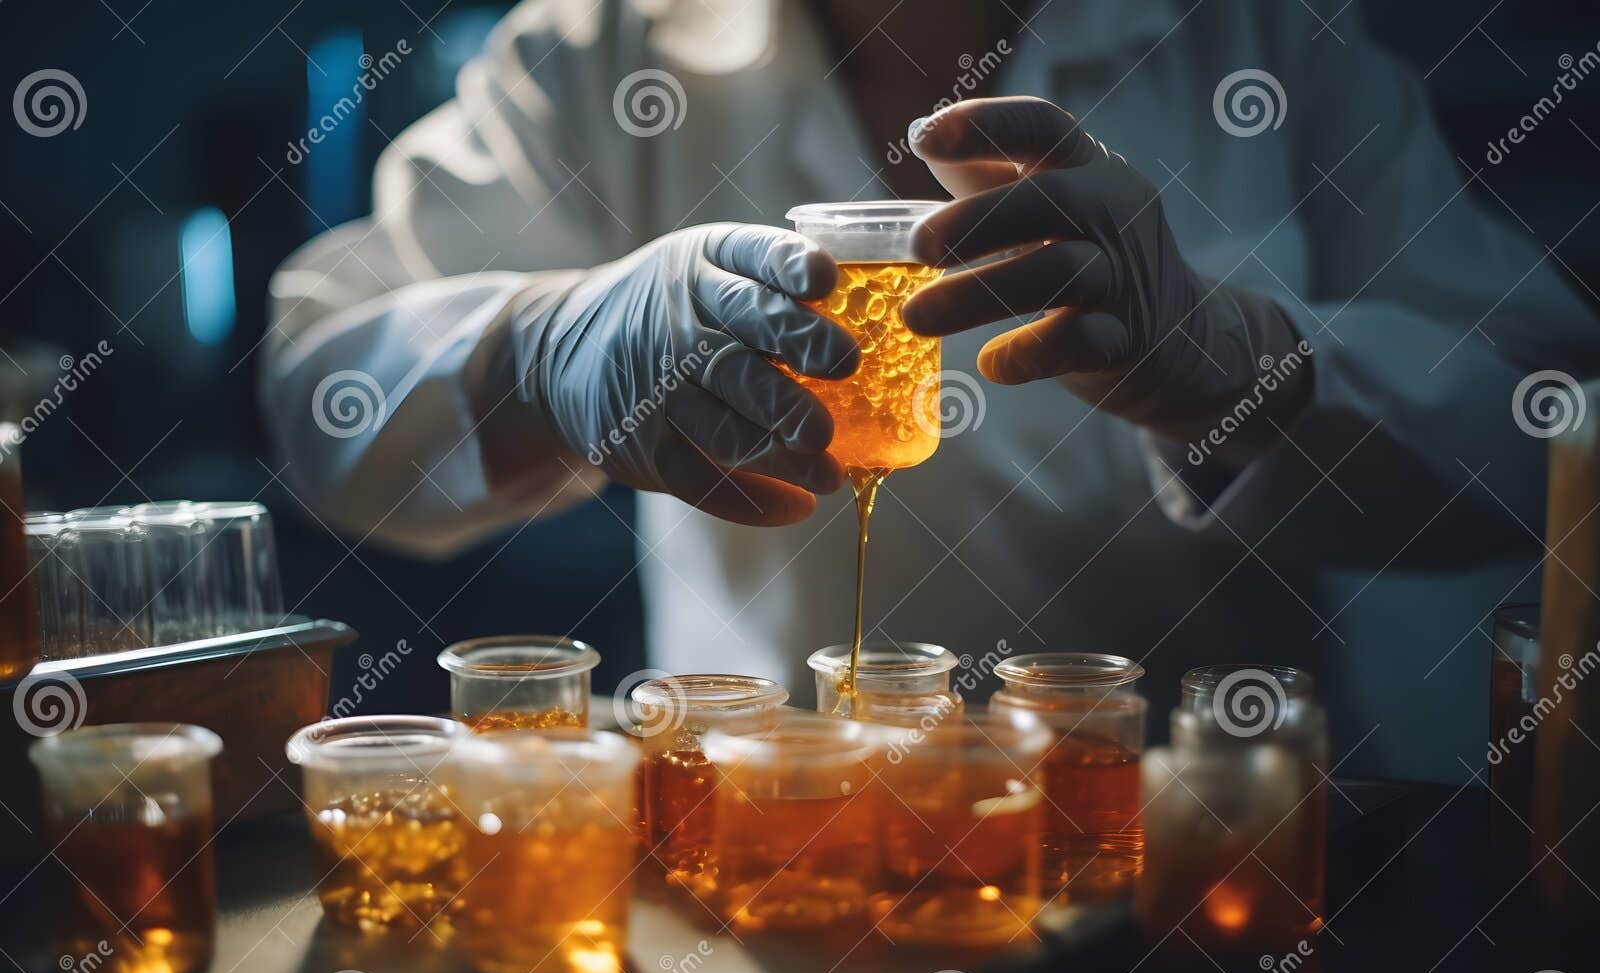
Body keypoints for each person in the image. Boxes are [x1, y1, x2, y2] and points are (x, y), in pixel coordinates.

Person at [259, 0, 1599, 744]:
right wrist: (538, 352)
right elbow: (322, 406)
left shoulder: (1256, 38)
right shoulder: (599, 50)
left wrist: (1259, 369)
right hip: (770, 848)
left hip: (1192, 857)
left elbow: (1552, 428)